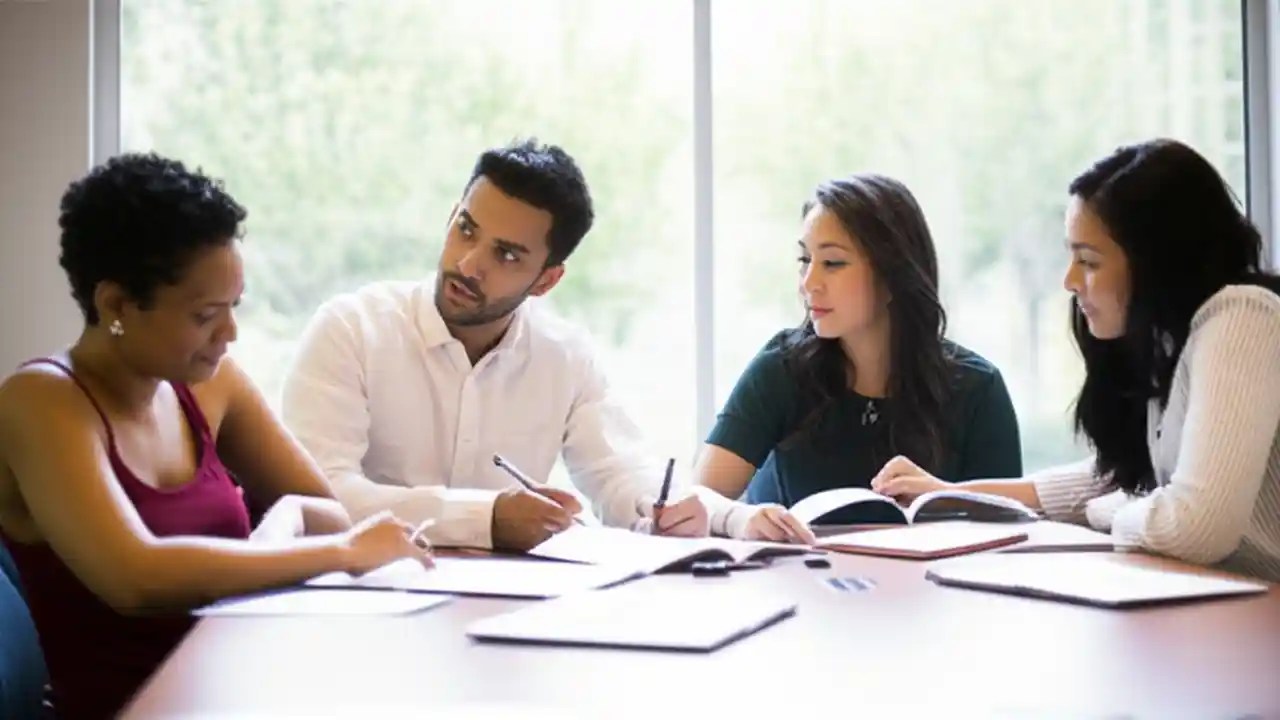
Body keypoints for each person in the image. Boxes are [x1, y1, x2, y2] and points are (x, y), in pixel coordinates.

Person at [0, 154, 432, 719]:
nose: (229, 333)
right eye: (205, 315)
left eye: (234, 307)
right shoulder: (41, 402)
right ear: (116, 305)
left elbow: (323, 509)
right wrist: (335, 551)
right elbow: (136, 578)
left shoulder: (209, 384)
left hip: (240, 690)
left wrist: (286, 526)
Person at [872, 139, 1280, 582]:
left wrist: (1113, 510)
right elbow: (1112, 477)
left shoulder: (1243, 316)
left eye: (1088, 260)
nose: (1069, 281)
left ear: (1155, 261)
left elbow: (1196, 528)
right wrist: (952, 494)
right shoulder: (1171, 342)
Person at [281, 139, 708, 552]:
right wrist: (484, 518)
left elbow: (617, 471)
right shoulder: (350, 329)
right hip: (365, 599)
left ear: (546, 280)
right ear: (451, 216)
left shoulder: (565, 356)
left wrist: (660, 510)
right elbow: (321, 494)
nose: (468, 264)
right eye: (466, 229)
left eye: (505, 255)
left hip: (505, 608)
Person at [692, 173, 1022, 542]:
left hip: (931, 593)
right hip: (796, 586)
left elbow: (1009, 533)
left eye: (832, 263)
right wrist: (741, 518)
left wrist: (942, 496)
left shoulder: (978, 388)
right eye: (804, 259)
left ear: (893, 273)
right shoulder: (781, 367)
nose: (809, 282)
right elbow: (698, 498)